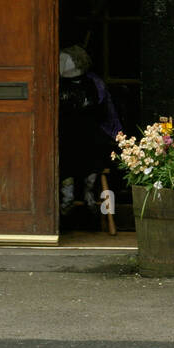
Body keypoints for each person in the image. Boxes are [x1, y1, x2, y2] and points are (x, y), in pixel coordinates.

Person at [58, 45, 122, 227]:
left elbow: (107, 114)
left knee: (83, 138)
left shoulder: (94, 83)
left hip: (90, 143)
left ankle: (82, 189)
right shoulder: (59, 83)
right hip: (70, 143)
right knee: (68, 139)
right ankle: (80, 188)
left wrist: (117, 136)